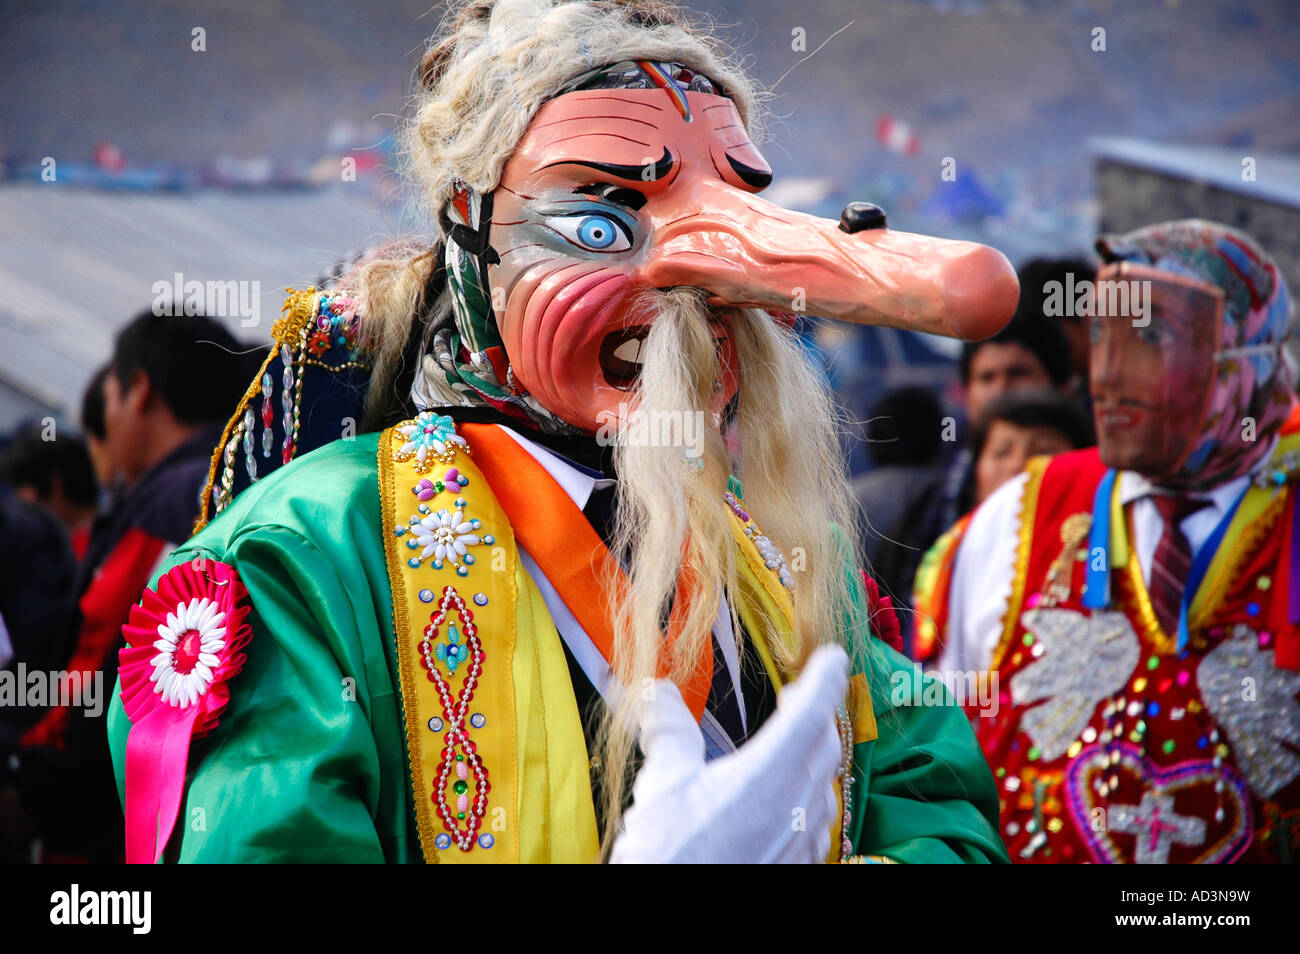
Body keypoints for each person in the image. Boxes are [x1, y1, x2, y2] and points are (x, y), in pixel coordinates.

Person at [107, 0, 1020, 864]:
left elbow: (933, 802)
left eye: (741, 210)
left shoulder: (785, 560)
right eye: (598, 219)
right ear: (470, 233)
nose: (701, 291)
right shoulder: (309, 559)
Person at [930, 219, 1299, 863]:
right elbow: (937, 764)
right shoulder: (1021, 518)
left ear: (1247, 362)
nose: (1109, 377)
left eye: (1152, 338)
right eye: (1101, 334)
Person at [10, 310, 250, 863]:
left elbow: (104, 661)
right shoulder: (247, 472)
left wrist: (32, 791)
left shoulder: (165, 505)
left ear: (139, 389)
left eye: (113, 392)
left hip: (112, 823)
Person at [912, 388, 1094, 662]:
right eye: (1001, 452)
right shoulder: (950, 553)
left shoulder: (1103, 539)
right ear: (976, 470)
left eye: (1044, 451)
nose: (1019, 465)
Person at [0, 422, 99, 560]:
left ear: (55, 485)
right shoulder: (110, 537)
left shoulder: (59, 556)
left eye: (20, 497)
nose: (17, 508)